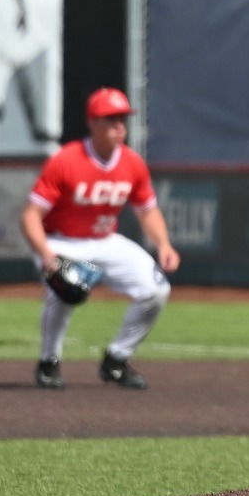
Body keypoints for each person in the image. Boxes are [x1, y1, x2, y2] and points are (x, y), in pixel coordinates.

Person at [21, 87, 181, 389]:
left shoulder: (132, 163)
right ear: (92, 123)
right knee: (63, 290)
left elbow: (147, 211)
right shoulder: (66, 161)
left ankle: (117, 360)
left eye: (122, 119)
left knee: (156, 289)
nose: (119, 127)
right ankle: (48, 362)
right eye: (110, 120)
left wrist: (164, 244)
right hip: (60, 240)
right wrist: (47, 256)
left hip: (104, 240)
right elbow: (30, 216)